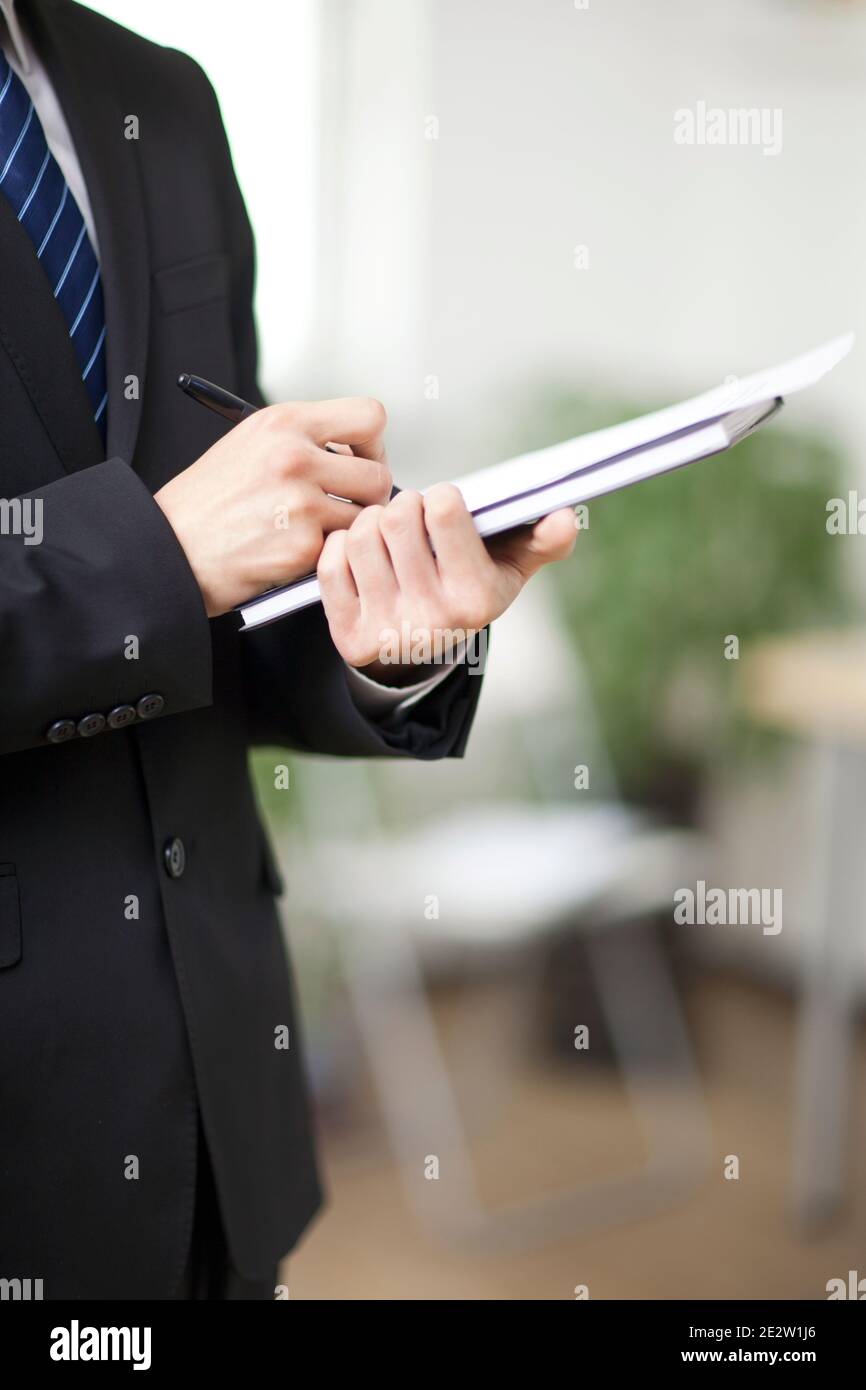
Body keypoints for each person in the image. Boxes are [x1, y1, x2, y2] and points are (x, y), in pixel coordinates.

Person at [0, 0, 576, 1299]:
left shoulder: (160, 95)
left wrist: (387, 634)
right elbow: (168, 553)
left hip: (212, 1083)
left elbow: (203, 591)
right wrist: (154, 551)